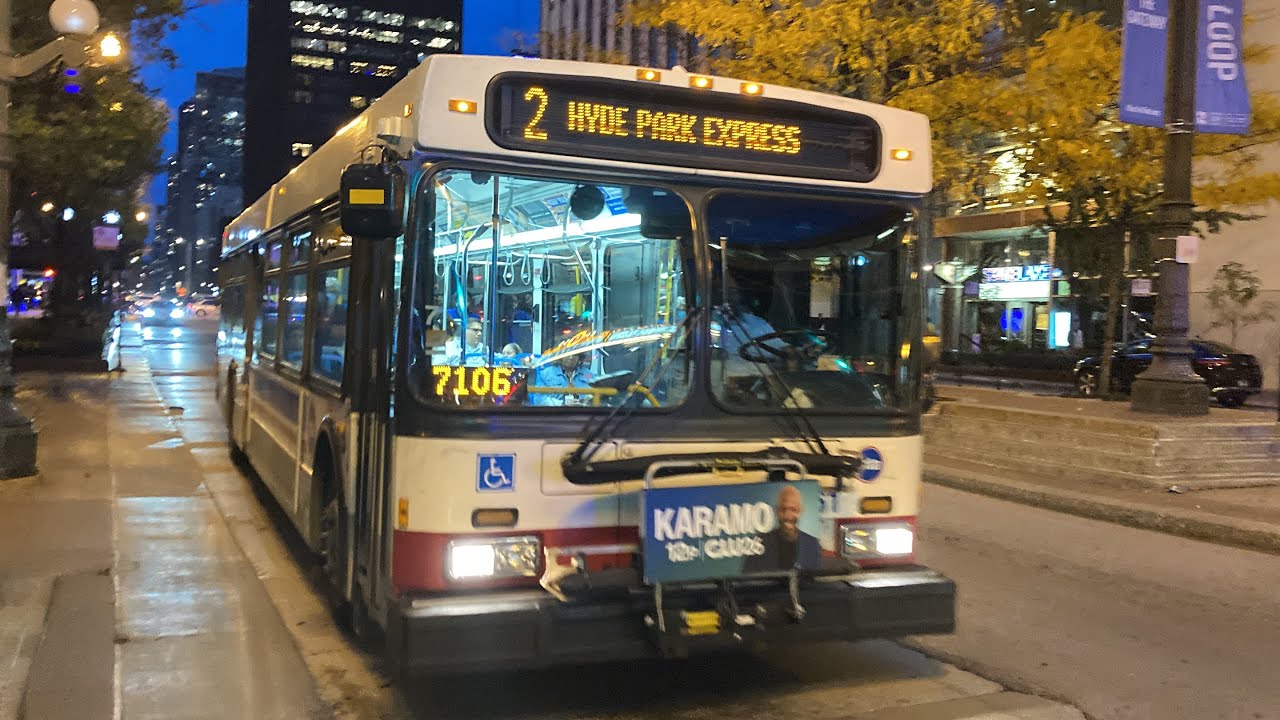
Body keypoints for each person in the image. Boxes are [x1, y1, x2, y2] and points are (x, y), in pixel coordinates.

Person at [742, 485, 820, 573]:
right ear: (776, 511)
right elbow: (747, 580)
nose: (787, 515)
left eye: (793, 509)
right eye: (783, 509)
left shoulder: (812, 545)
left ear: (800, 510)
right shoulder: (757, 544)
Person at [528, 353, 594, 406]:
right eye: (567, 353)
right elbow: (539, 399)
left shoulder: (587, 374)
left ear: (579, 357)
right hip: (557, 415)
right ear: (560, 356)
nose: (571, 357)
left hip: (583, 414)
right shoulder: (546, 374)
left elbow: (594, 394)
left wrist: (585, 402)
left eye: (575, 355)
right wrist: (562, 404)